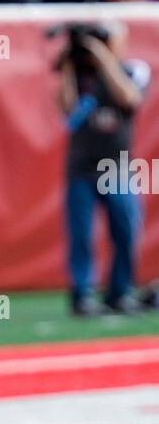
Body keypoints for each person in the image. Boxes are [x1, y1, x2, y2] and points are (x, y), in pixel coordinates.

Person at [57, 20, 150, 313]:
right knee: (81, 234)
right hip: (82, 168)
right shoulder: (82, 76)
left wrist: (104, 57)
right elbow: (67, 110)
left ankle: (120, 292)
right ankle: (82, 294)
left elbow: (129, 98)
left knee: (125, 231)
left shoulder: (132, 69)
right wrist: (70, 65)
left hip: (116, 167)